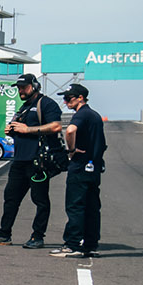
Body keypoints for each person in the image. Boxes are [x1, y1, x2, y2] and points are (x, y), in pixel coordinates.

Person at [0, 74, 60, 247]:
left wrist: (28, 129)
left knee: (40, 200)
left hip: (38, 161)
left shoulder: (46, 104)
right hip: (20, 160)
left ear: (35, 86)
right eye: (19, 88)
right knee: (11, 198)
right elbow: (19, 128)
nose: (21, 91)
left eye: (24, 87)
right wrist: (12, 130)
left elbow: (56, 126)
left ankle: (37, 237)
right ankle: (3, 234)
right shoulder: (23, 107)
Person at [54, 83, 106, 259]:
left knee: (75, 207)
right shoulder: (95, 116)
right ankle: (90, 245)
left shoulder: (81, 114)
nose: (65, 101)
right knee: (92, 208)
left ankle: (72, 245)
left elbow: (70, 130)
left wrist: (71, 149)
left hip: (80, 166)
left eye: (69, 98)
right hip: (94, 168)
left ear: (80, 98)